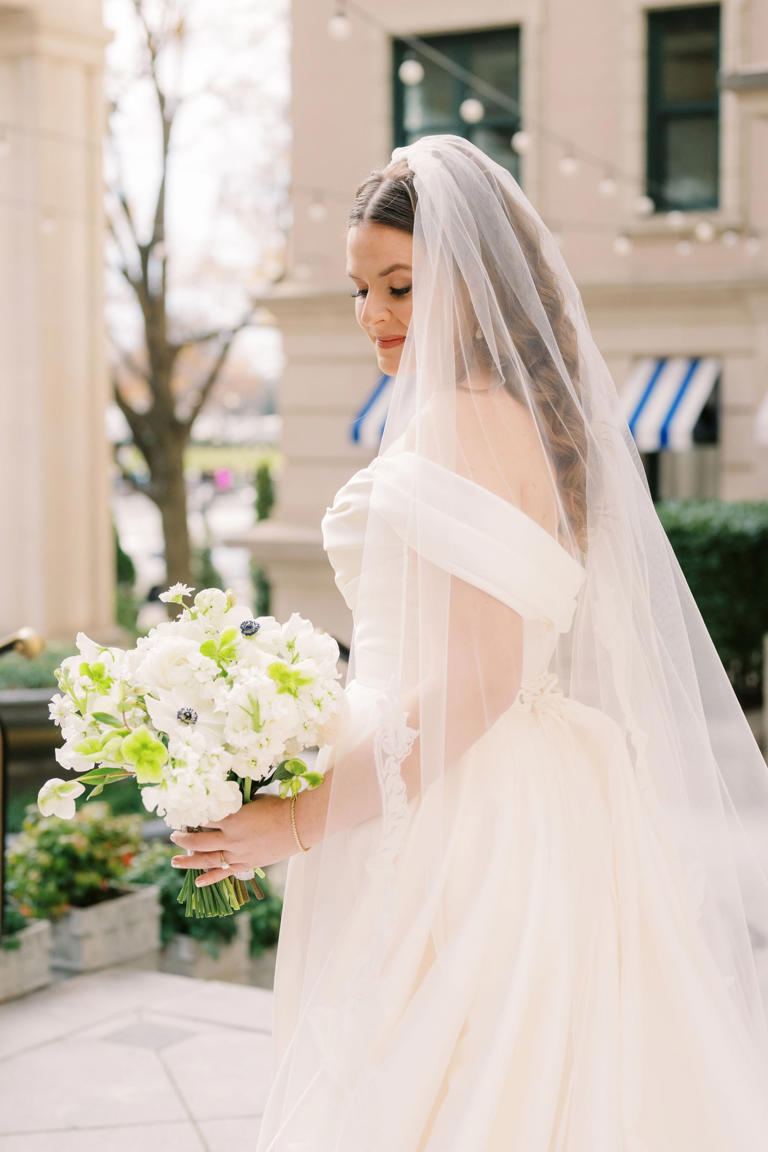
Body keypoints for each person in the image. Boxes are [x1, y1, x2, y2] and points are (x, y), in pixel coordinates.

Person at [171, 135, 768, 1150]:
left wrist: (298, 821)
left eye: (401, 287)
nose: (374, 314)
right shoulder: (523, 419)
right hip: (489, 777)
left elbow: (481, 676)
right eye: (361, 289)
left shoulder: (466, 421)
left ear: (471, 285)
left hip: (459, 803)